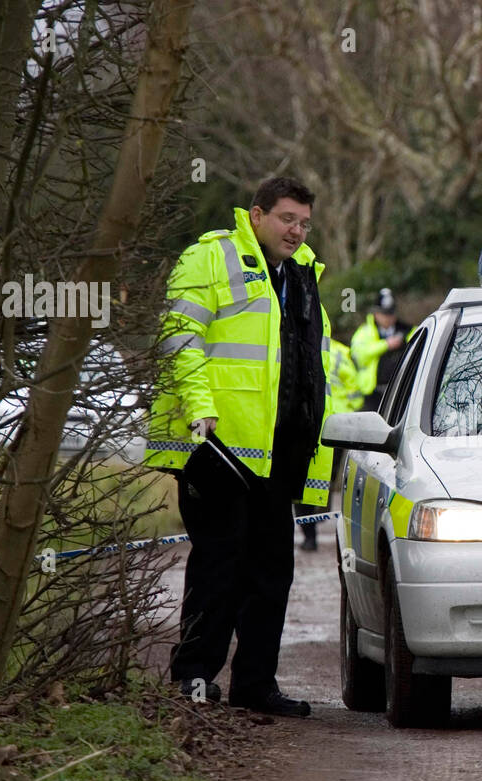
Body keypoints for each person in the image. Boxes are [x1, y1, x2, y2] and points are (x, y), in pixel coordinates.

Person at [144, 175, 336, 718]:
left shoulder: (302, 275)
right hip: (219, 448)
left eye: (303, 222)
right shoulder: (211, 258)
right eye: (286, 219)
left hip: (279, 453)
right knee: (218, 570)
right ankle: (194, 680)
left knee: (272, 574)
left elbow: (312, 366)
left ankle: (256, 684)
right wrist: (202, 413)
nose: (297, 231)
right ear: (256, 215)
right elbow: (180, 338)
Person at [297, 340, 361, 552]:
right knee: (328, 480)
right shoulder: (342, 352)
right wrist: (350, 411)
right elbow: (355, 391)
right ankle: (321, 514)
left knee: (303, 482)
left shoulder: (296, 342)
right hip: (337, 427)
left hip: (306, 424)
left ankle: (310, 534)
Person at [350, 288, 414, 410]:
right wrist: (386, 345)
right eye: (384, 314)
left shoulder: (407, 330)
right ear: (375, 313)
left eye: (391, 313)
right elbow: (358, 355)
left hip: (402, 392)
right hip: (372, 395)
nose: (388, 318)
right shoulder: (364, 332)